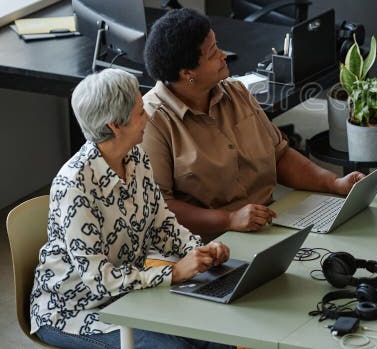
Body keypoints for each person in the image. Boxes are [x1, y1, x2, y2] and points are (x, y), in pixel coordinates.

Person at [31, 69, 232, 349]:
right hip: (73, 311)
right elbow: (99, 281)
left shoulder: (135, 157)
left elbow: (162, 224)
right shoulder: (74, 186)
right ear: (115, 125)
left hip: (130, 295)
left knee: (222, 336)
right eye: (140, 113)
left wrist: (198, 251)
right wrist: (173, 274)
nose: (148, 117)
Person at [141, 8, 365, 236]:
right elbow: (160, 207)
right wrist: (228, 219)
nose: (223, 55)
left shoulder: (236, 92)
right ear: (188, 73)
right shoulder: (152, 121)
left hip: (270, 222)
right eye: (212, 53)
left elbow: (280, 155)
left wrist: (334, 183)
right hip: (211, 242)